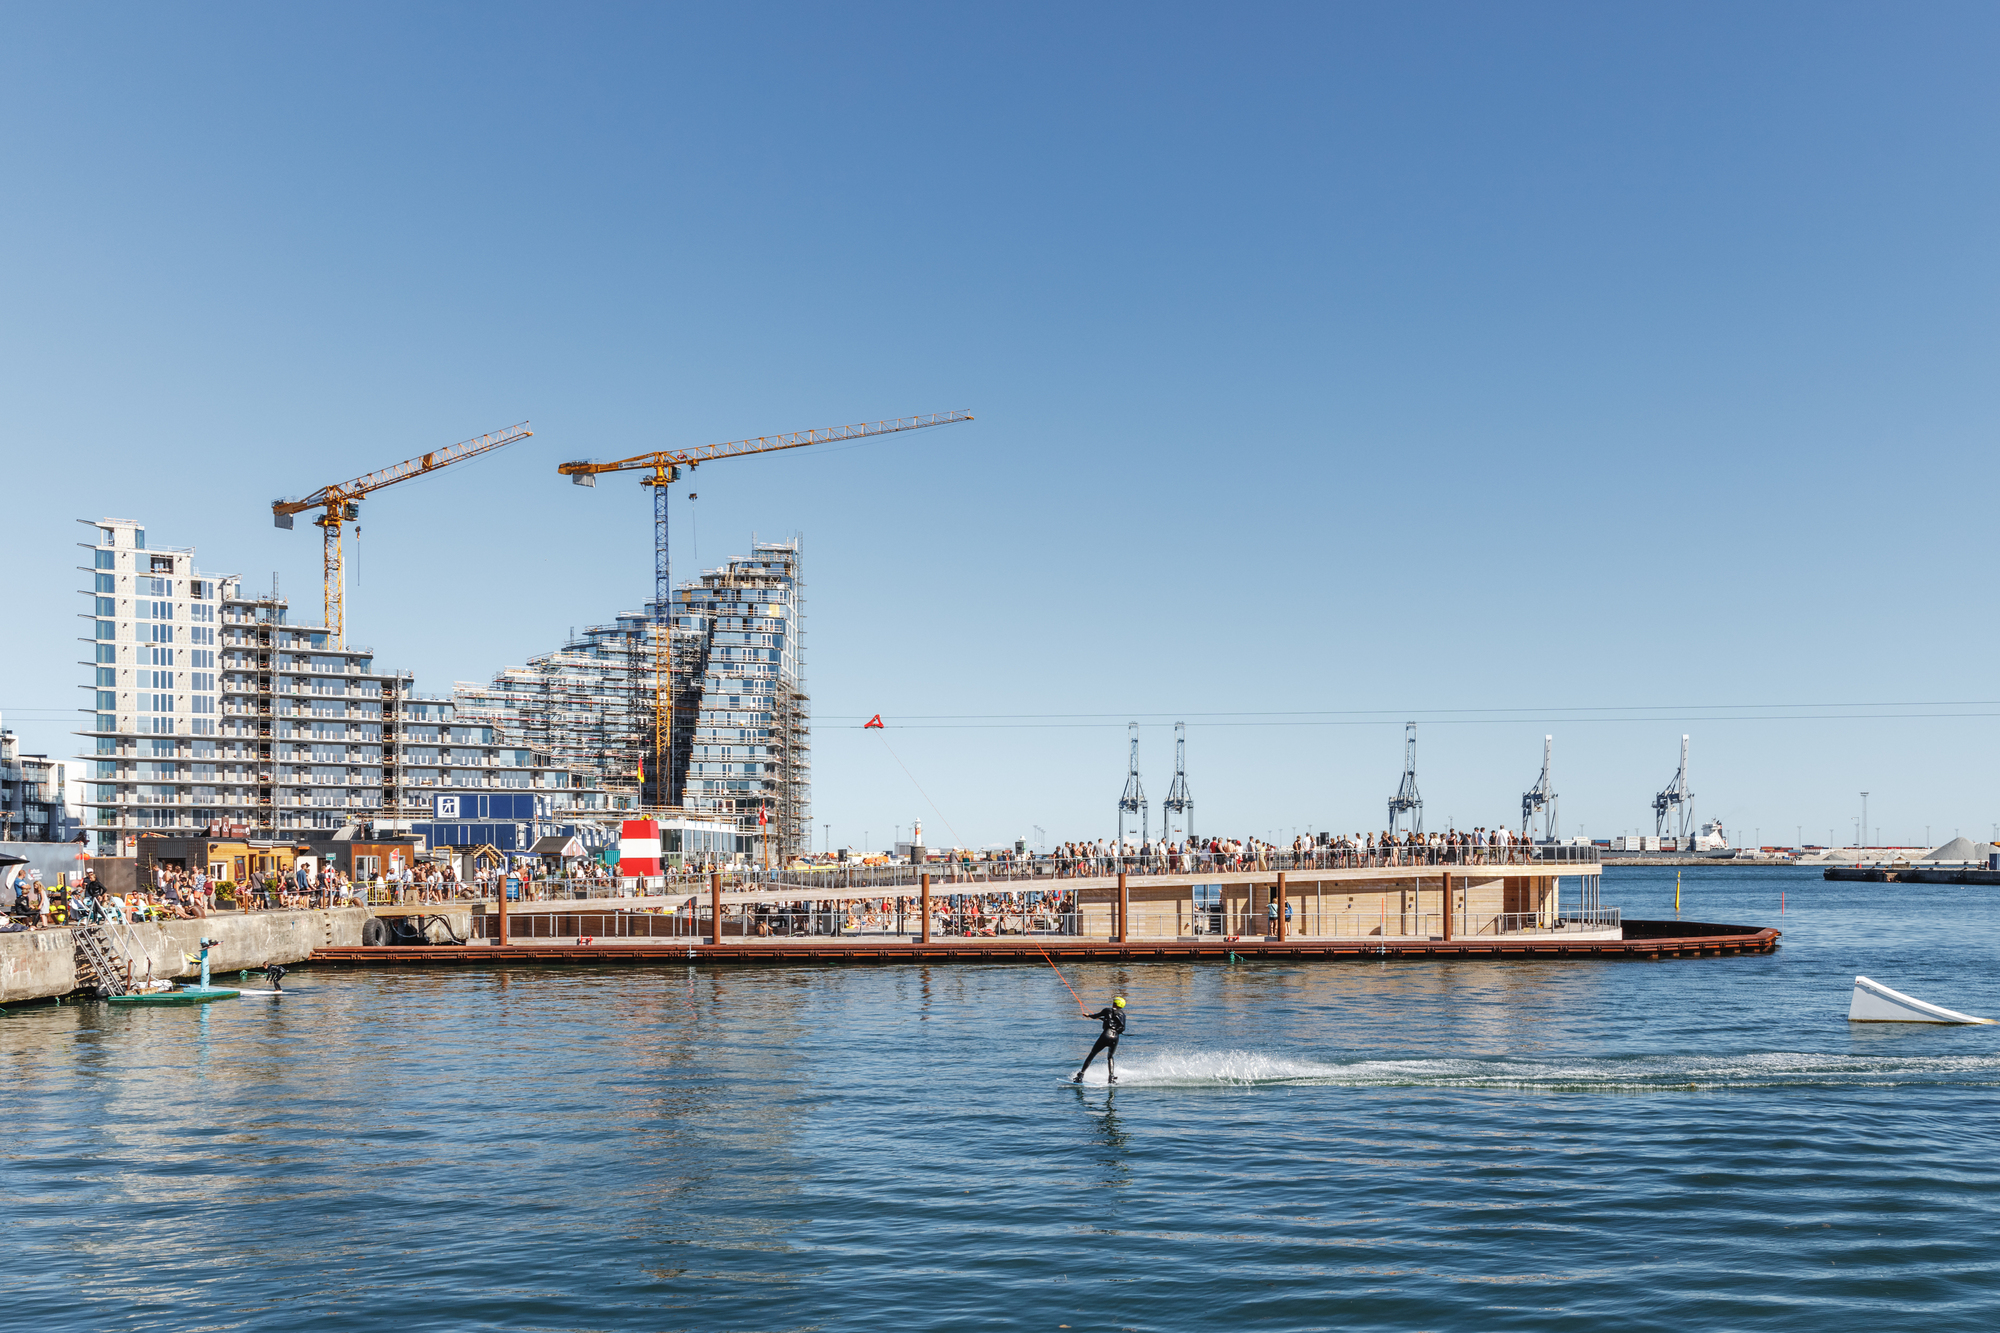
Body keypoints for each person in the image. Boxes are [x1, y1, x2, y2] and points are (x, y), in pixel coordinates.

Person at [1073, 995, 1127, 1084]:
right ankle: (1111, 1078)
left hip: (1106, 1035)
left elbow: (1095, 1016)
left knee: (1092, 1054)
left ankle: (1081, 1075)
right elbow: (1122, 1028)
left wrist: (1088, 1015)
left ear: (1114, 1003)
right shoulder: (1123, 1015)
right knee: (1110, 1057)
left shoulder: (1107, 1010)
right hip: (1115, 1037)